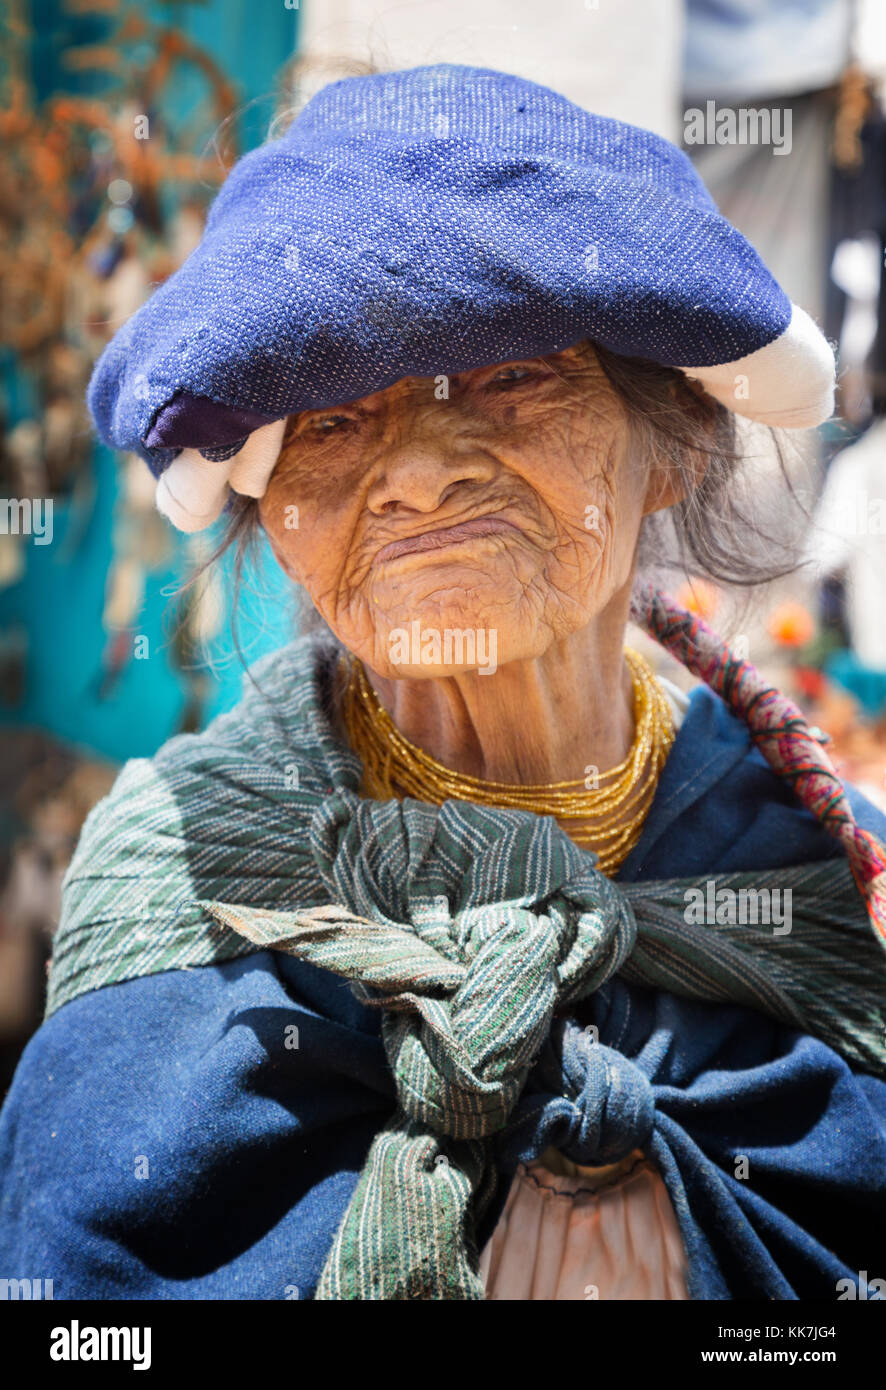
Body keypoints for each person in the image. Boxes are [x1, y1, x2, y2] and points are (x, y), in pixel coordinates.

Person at [1, 64, 884, 1302]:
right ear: (277, 508)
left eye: (512, 376)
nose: (415, 476)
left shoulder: (823, 861)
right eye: (333, 419)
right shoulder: (182, 877)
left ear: (673, 445)